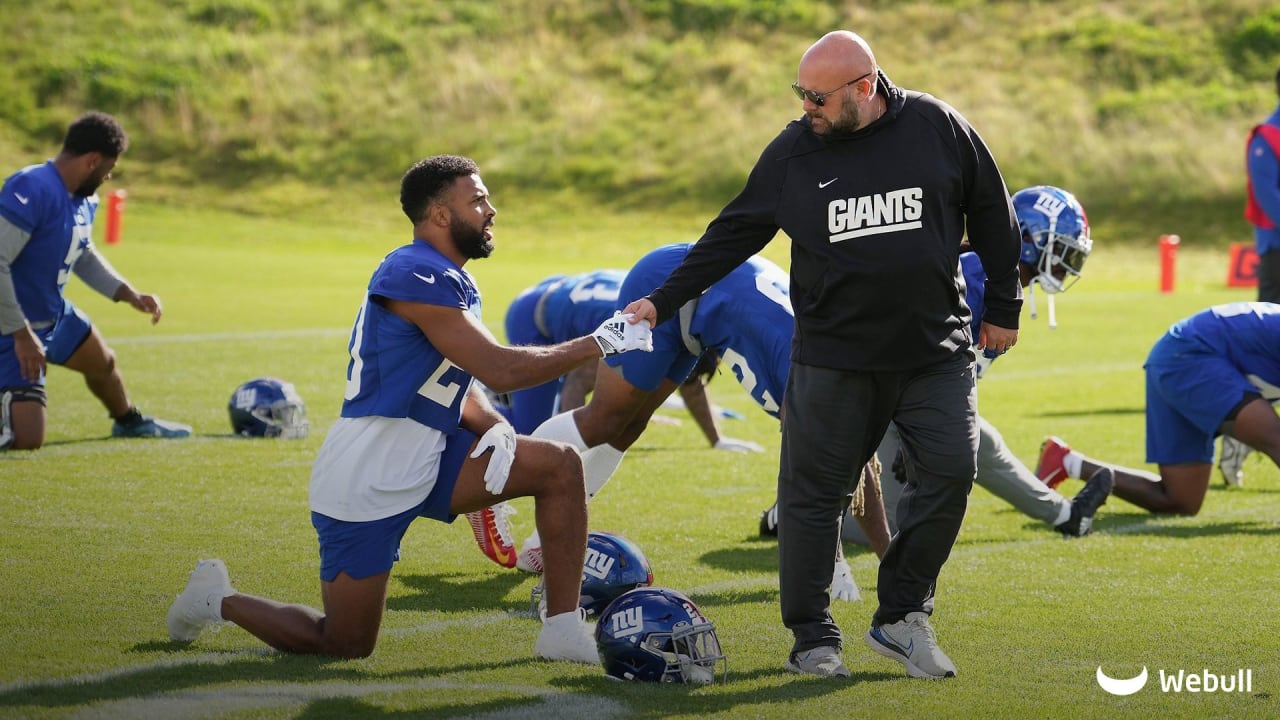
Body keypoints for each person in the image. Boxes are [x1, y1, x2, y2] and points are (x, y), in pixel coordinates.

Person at [621, 31, 1024, 679]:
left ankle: (901, 615)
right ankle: (813, 637)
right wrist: (662, 302)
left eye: (818, 95)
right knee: (814, 497)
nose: (806, 105)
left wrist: (1004, 307)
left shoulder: (938, 126)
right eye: (800, 92)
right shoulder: (795, 150)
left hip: (932, 352)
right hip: (834, 357)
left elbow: (993, 214)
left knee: (951, 471)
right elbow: (733, 232)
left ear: (866, 88)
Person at [165, 155, 653, 662]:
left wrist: (496, 428)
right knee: (343, 643)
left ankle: (561, 629)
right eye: (478, 200)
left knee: (559, 466)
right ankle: (216, 598)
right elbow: (500, 369)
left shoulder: (448, 276)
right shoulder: (413, 270)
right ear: (441, 215)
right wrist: (603, 341)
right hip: (367, 471)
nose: (492, 210)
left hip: (433, 454)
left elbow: (453, 380)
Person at [515, 243, 892, 604]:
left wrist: (889, 562)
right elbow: (815, 477)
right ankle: (501, 475)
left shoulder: (839, 362)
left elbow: (860, 468)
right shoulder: (810, 374)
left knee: (630, 428)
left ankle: (536, 542)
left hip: (701, 305)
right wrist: (836, 564)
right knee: (603, 420)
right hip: (667, 283)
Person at [832, 186, 1112, 546]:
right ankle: (799, 513)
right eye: (1060, 248)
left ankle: (1068, 515)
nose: (1066, 261)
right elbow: (912, 339)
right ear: (1028, 237)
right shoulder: (981, 274)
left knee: (979, 441)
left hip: (901, 386)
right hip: (882, 386)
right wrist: (910, 423)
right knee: (886, 523)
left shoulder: (997, 275)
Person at [0, 111, 190, 450]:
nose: (109, 176)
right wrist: (21, 334)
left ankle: (128, 421)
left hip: (53, 315)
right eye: (109, 167)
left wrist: (127, 293)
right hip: (12, 326)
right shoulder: (32, 186)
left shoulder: (85, 200)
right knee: (27, 440)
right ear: (92, 160)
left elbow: (82, 254)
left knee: (104, 364)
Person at [1035, 302, 1280, 517]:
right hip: (1192, 354)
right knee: (1275, 438)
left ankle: (1067, 462)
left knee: (1180, 501)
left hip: (1178, 354)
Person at [500, 268, 762, 451]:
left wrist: (716, 440)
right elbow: (578, 382)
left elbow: (689, 382)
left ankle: (496, 392)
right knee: (529, 431)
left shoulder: (665, 302)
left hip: (563, 289)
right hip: (534, 319)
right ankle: (472, 402)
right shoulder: (640, 327)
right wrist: (571, 448)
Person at [1226, 65, 1280, 485]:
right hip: (1277, 256)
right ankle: (1239, 435)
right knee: (1267, 353)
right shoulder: (1267, 137)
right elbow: (1269, 201)